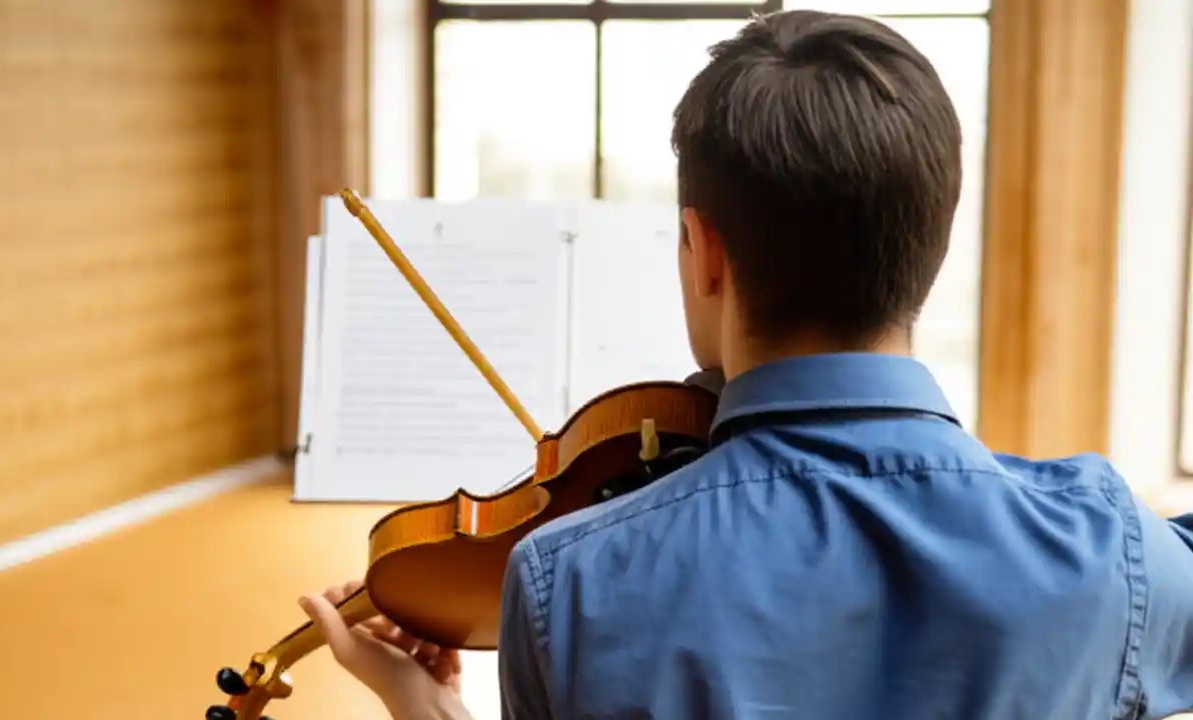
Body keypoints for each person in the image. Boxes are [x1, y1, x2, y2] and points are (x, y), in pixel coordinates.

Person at [299, 9, 1193, 719]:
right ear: (935, 243)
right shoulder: (1107, 545)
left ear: (705, 251)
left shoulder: (566, 582)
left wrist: (426, 709)